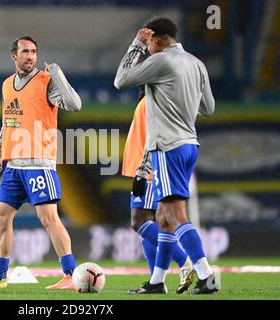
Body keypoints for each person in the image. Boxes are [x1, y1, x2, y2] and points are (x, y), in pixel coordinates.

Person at [115, 17, 216, 294]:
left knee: (175, 215)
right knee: (162, 217)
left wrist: (136, 44)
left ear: (157, 39)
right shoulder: (197, 64)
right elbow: (208, 107)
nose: (148, 50)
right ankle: (157, 282)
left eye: (149, 44)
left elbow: (120, 80)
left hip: (167, 147)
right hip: (189, 145)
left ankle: (206, 275)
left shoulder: (161, 61)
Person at [0, 36, 82, 290]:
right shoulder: (6, 85)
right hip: (14, 164)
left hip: (39, 162)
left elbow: (75, 104)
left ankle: (71, 275)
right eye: (25, 52)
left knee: (48, 217)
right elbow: (8, 121)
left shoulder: (47, 81)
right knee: (1, 216)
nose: (31, 57)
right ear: (14, 56)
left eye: (34, 52)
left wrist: (57, 73)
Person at [122, 88, 196, 294]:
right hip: (149, 170)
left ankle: (185, 261)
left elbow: (153, 137)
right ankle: (157, 283)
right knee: (149, 228)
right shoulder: (149, 100)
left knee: (139, 222)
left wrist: (142, 171)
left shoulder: (152, 101)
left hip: (149, 172)